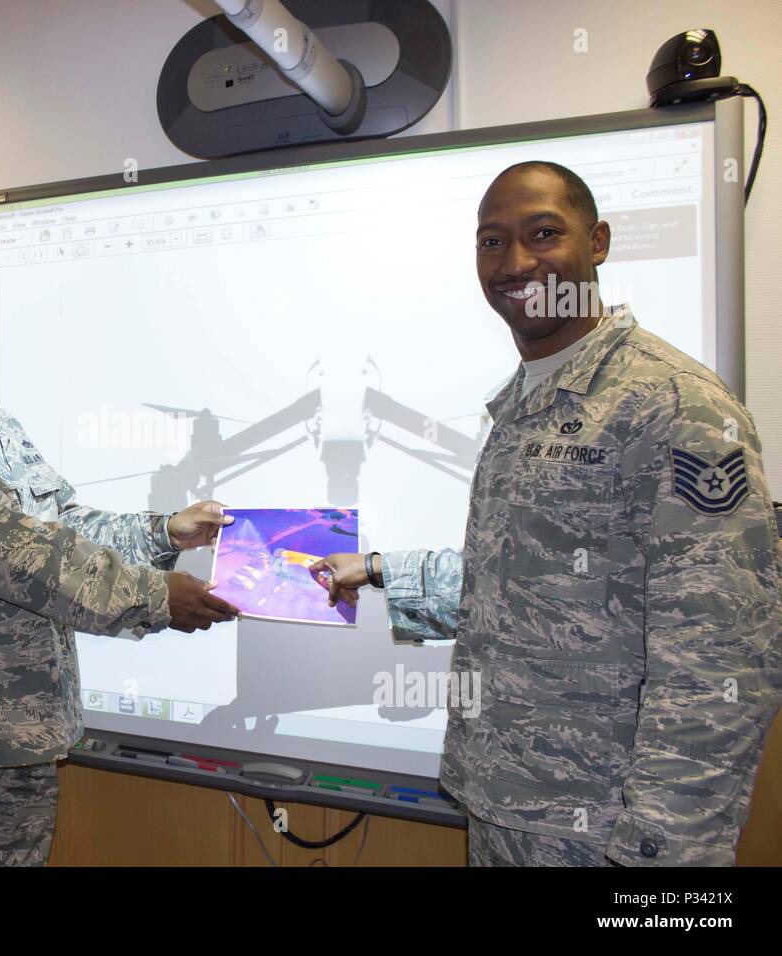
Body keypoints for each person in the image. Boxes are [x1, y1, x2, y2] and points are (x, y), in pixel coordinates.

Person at [311, 161, 782, 866]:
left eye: (543, 233)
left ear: (598, 242)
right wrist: (377, 570)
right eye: (492, 241)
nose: (516, 261)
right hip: (507, 808)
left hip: (610, 834)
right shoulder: (526, 402)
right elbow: (524, 583)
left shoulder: (674, 404)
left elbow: (722, 658)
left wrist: (659, 859)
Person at [0, 258, 239, 866]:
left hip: (27, 735)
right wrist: (153, 595)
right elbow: (2, 546)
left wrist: (165, 529)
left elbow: (65, 523)